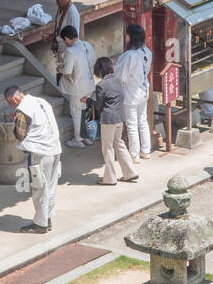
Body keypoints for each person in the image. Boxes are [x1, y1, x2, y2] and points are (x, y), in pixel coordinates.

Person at [5, 84, 62, 233]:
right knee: (50, 187)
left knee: (39, 188)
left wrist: (15, 121)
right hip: (55, 149)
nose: (12, 106)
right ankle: (47, 218)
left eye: (10, 103)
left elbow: (20, 134)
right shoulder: (41, 101)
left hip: (40, 153)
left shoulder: (22, 110)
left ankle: (40, 224)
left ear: (13, 99)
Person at [87, 57, 138, 185]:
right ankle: (130, 172)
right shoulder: (119, 81)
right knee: (119, 144)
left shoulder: (101, 85)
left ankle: (109, 178)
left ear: (99, 71)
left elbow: (98, 106)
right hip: (120, 117)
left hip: (108, 119)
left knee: (107, 148)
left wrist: (88, 101)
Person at [114, 21, 154, 162]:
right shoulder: (147, 51)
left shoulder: (129, 55)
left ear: (130, 37)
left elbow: (121, 76)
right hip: (143, 89)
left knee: (131, 124)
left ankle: (134, 154)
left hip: (131, 92)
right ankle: (146, 150)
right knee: (142, 121)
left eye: (127, 35)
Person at [59, 24, 97, 148]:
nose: (65, 43)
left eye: (64, 40)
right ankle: (89, 136)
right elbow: (93, 61)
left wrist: (60, 68)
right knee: (87, 110)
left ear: (67, 38)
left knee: (76, 113)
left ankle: (78, 139)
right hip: (90, 84)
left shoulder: (70, 51)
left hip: (77, 88)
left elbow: (68, 71)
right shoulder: (87, 45)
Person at [51, 0, 81, 82]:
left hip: (68, 53)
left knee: (67, 79)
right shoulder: (61, 8)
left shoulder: (72, 12)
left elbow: (73, 37)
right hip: (61, 51)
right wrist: (52, 37)